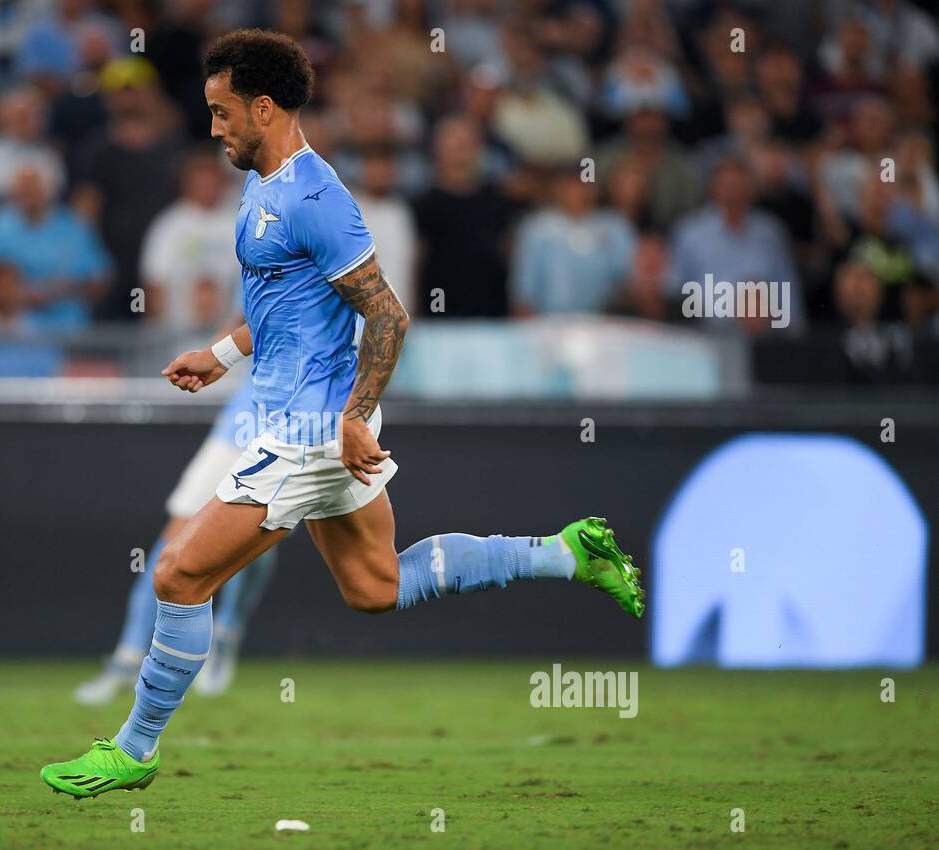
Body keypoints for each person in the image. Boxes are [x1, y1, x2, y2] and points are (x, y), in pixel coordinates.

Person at [40, 30, 644, 799]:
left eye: (223, 113)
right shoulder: (263, 183)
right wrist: (219, 355)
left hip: (310, 434)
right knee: (376, 587)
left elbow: (388, 316)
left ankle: (133, 749)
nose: (214, 127)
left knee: (178, 575)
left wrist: (356, 415)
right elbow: (289, 310)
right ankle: (565, 552)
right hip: (307, 423)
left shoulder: (316, 197)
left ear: (264, 107)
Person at [73, 366, 277, 705]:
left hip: (302, 425)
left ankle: (226, 631)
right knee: (176, 537)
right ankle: (128, 659)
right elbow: (244, 326)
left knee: (262, 535)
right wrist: (216, 355)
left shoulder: (361, 314)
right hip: (241, 422)